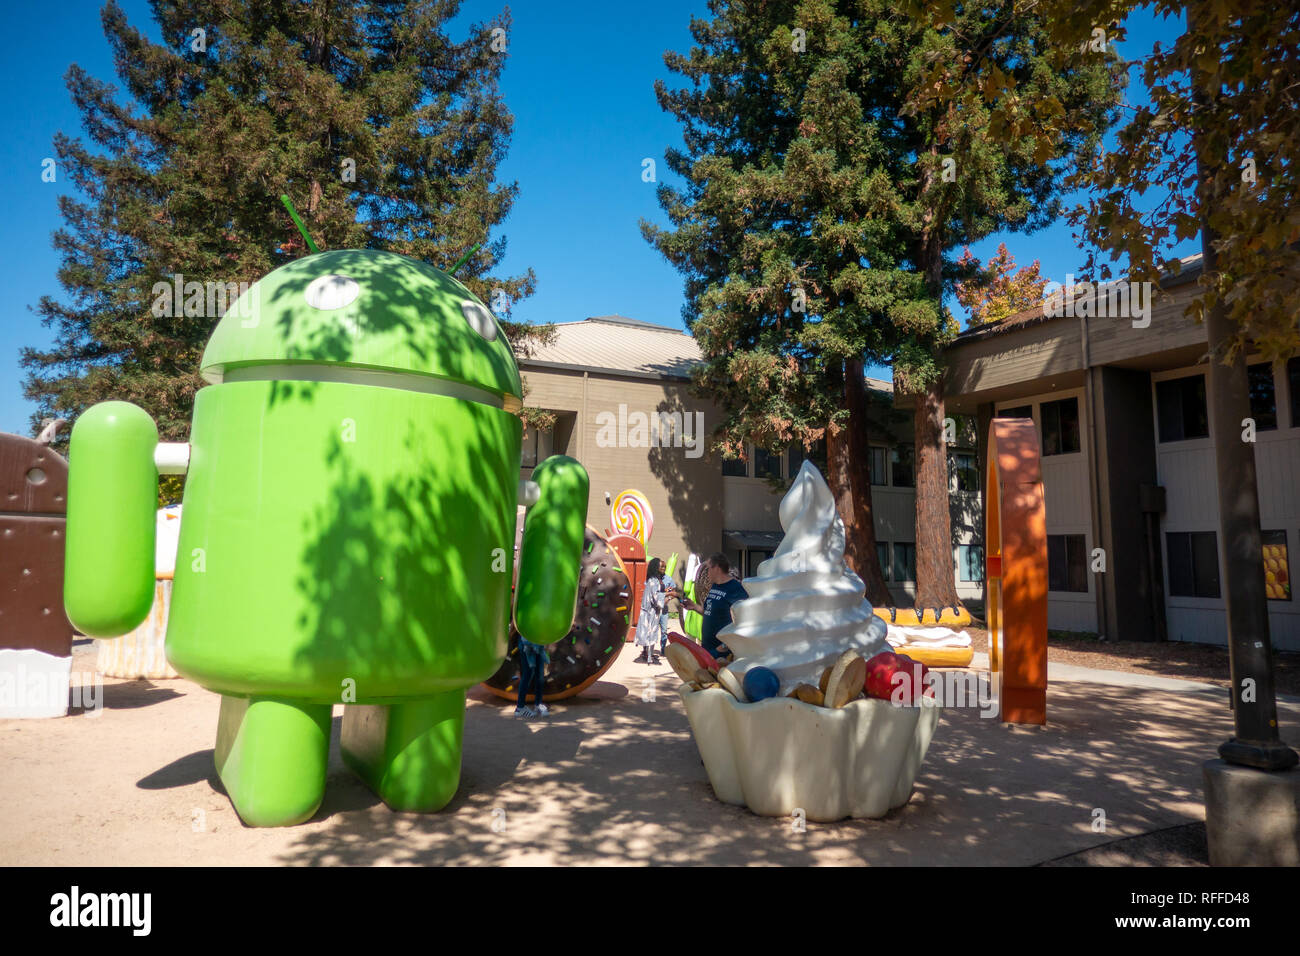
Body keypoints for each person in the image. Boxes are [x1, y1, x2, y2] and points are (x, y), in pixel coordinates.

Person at [678, 553, 748, 660]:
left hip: (723, 654)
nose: (706, 572)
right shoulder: (715, 586)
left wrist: (723, 647)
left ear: (717, 568)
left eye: (708, 568)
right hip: (708, 649)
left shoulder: (736, 590)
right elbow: (708, 611)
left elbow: (744, 622)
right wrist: (694, 606)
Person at [633, 558, 667, 665]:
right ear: (655, 567)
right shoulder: (654, 581)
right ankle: (649, 657)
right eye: (660, 566)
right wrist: (669, 596)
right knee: (651, 633)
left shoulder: (651, 580)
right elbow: (656, 599)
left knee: (648, 632)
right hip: (651, 612)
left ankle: (648, 655)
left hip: (649, 611)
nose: (663, 568)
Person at [514, 635, 549, 718]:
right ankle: (520, 708)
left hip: (539, 641)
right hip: (526, 642)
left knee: (539, 674)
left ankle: (538, 704)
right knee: (528, 673)